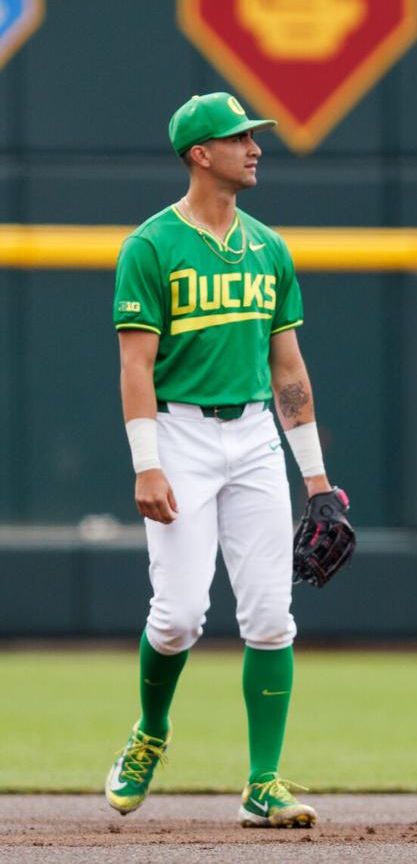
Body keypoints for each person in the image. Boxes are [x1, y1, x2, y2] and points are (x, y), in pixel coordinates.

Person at [106, 92, 341, 828]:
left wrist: (317, 480)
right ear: (200, 154)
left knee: (271, 615)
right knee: (179, 616)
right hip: (179, 435)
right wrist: (146, 462)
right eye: (239, 138)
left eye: (253, 136)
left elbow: (288, 369)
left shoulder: (269, 248)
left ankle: (263, 782)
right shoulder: (152, 246)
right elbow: (136, 365)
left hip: (253, 436)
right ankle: (150, 733)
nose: (256, 147)